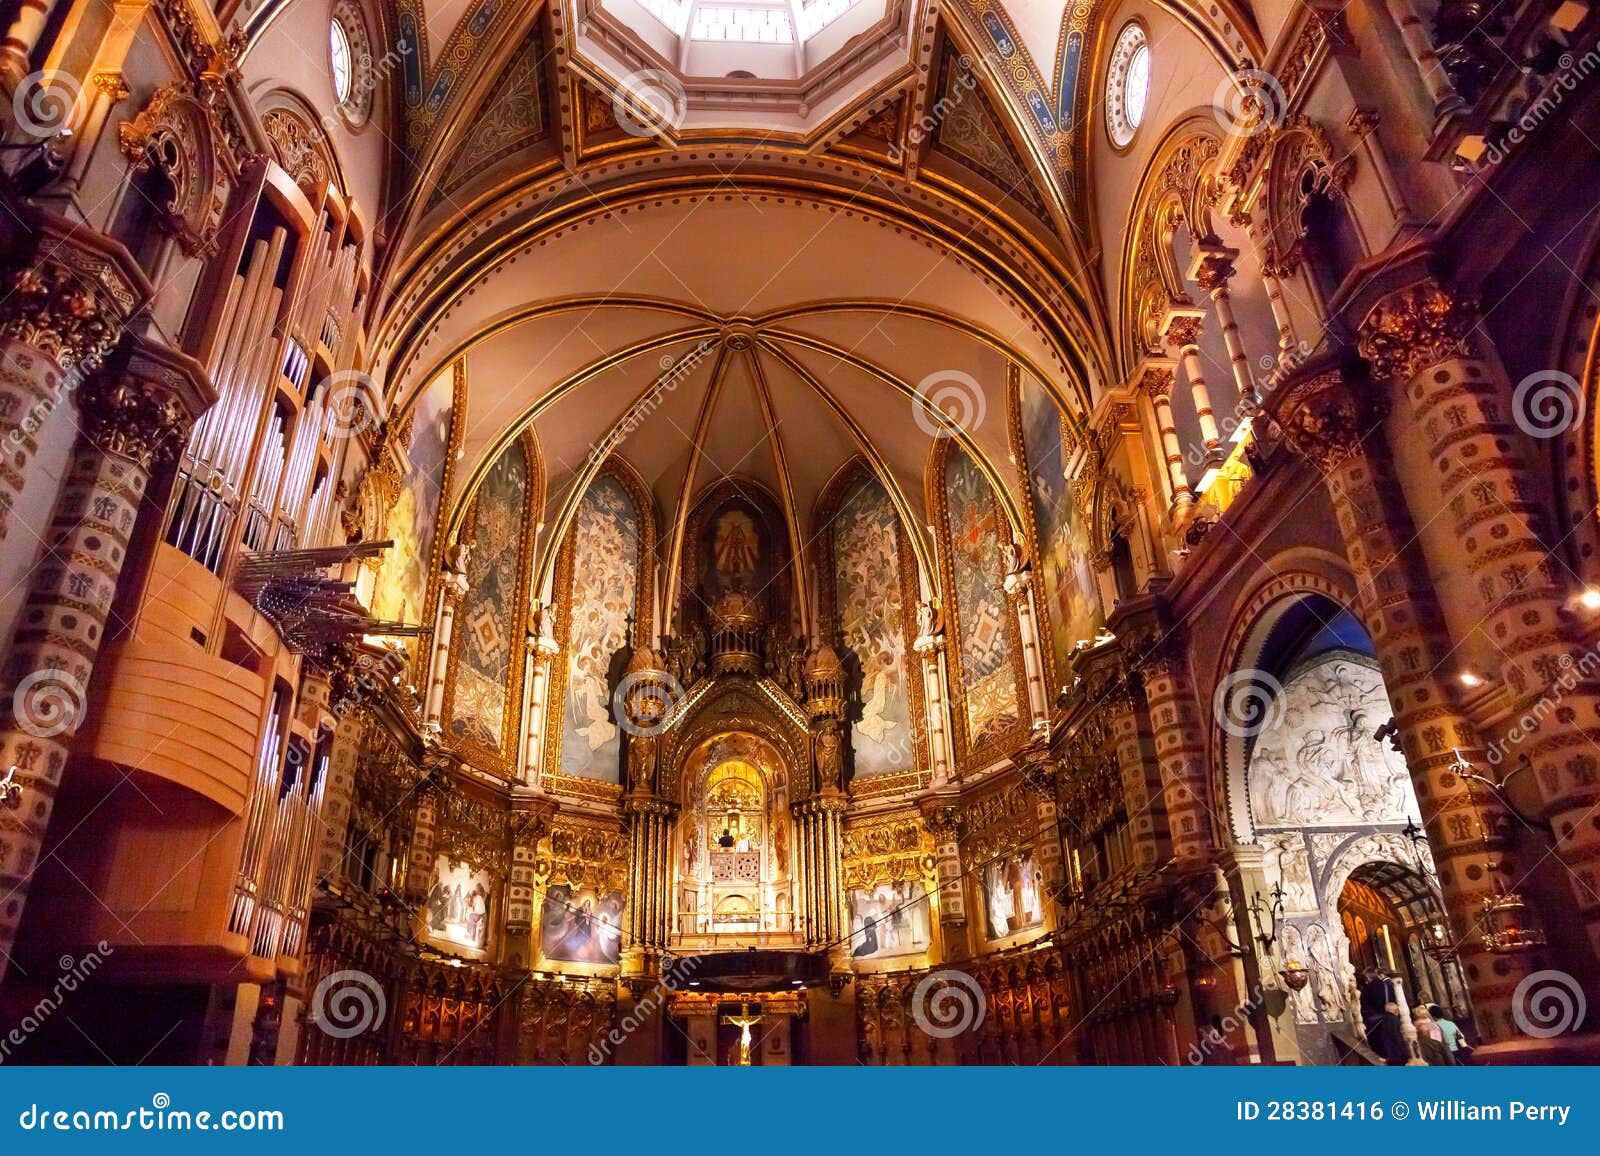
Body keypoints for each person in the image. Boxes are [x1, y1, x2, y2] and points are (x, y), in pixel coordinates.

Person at [1368, 1000, 1411, 1065]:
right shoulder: (1394, 1019)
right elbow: (1396, 1036)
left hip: (1388, 1050)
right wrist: (1404, 1050)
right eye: (1397, 1009)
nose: (1398, 1011)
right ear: (1395, 1010)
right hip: (1397, 1052)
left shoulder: (1384, 1019)